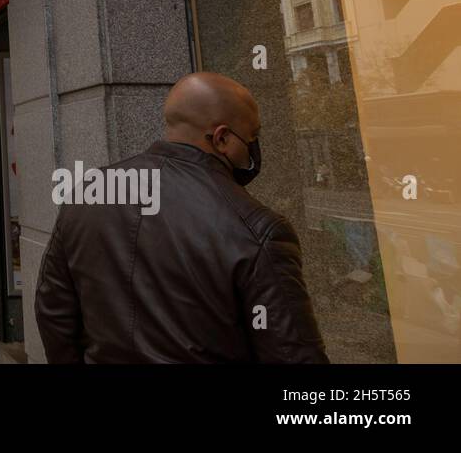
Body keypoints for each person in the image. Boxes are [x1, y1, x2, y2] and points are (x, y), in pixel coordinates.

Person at [34, 71, 329, 363]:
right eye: (251, 138)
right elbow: (293, 355)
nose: (252, 150)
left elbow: (54, 312)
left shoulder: (89, 192)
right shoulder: (259, 229)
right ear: (222, 138)